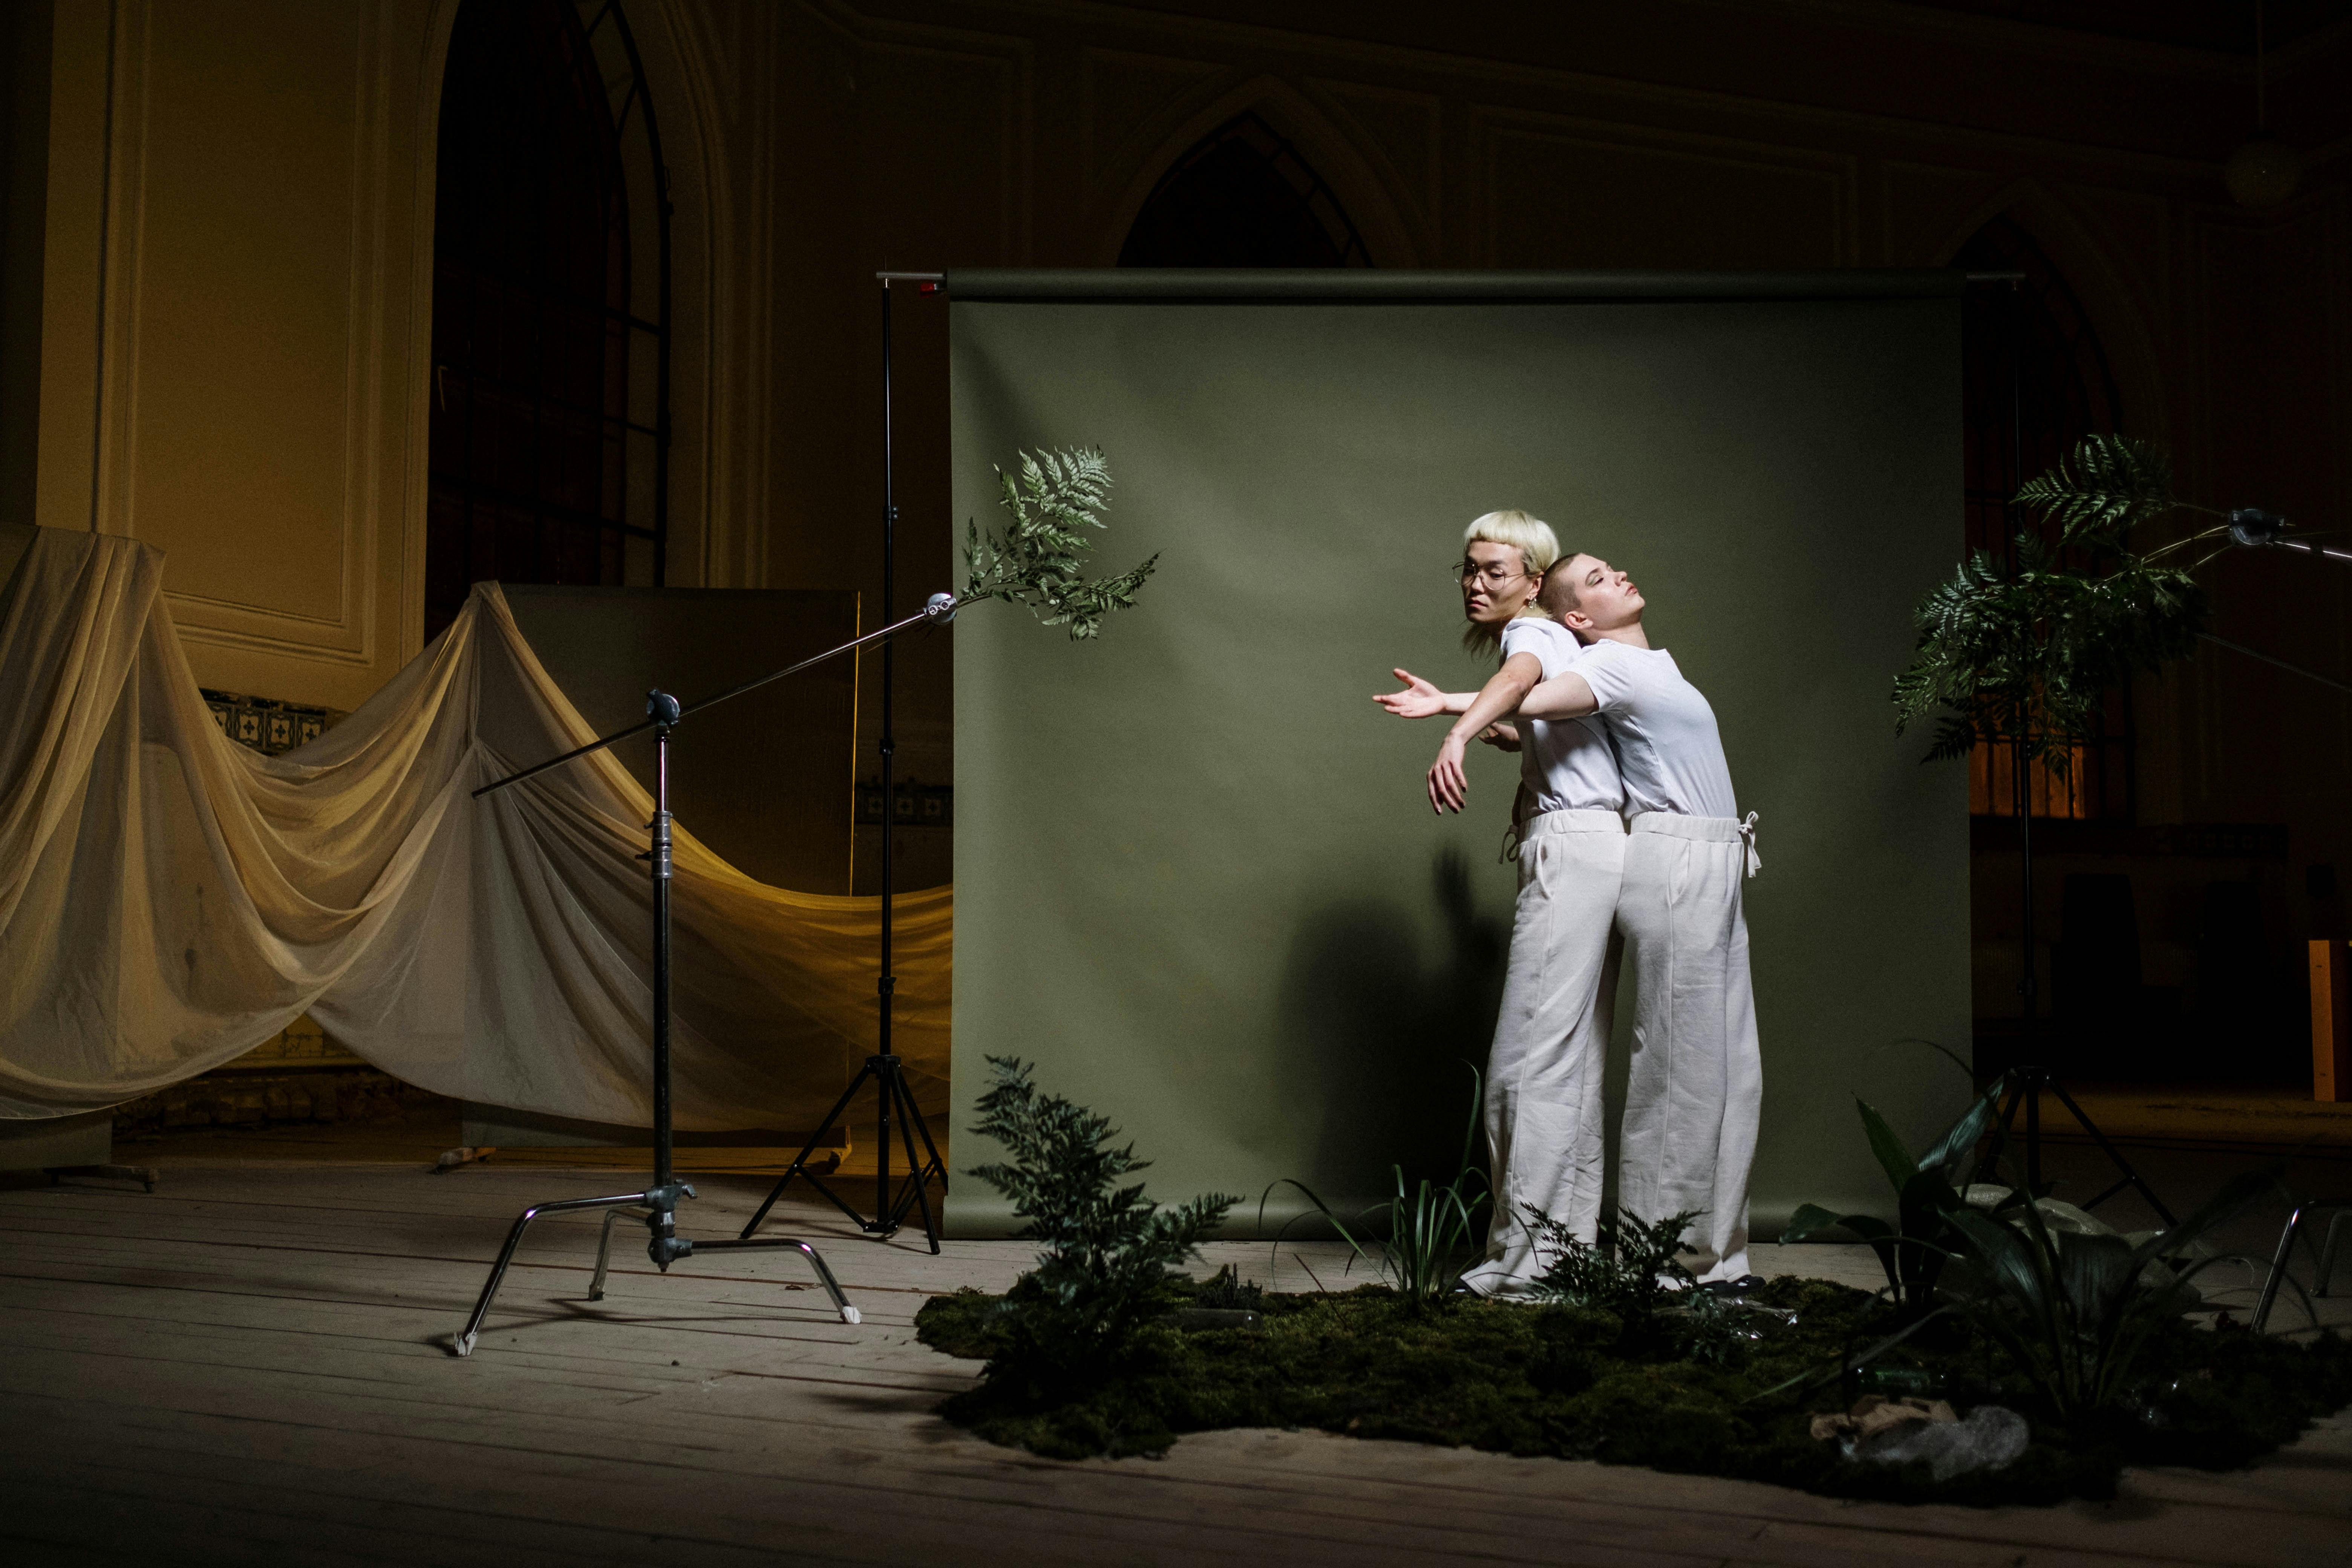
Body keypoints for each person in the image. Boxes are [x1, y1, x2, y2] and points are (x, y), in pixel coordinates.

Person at [1374, 512, 1626, 1294]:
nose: (1476, 583)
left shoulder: (1534, 636)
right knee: (1567, 1061)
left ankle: (1525, 1264)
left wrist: (1455, 736)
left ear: (1534, 580)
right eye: (1468, 568)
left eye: (1495, 570)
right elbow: (1536, 715)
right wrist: (1462, 707)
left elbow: (1517, 682)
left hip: (1573, 853)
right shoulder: (1556, 638)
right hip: (1595, 847)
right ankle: (1563, 1256)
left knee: (1525, 1067)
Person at [1505, 552, 1762, 1287]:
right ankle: (1665, 1265)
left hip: (1716, 860)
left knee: (1729, 1073)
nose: (1615, 573)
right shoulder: (1609, 667)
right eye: (1594, 579)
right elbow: (1528, 697)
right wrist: (1458, 711)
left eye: (1608, 567)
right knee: (1680, 1070)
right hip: (1674, 866)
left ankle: (1717, 1258)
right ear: (1578, 619)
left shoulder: (1654, 667)